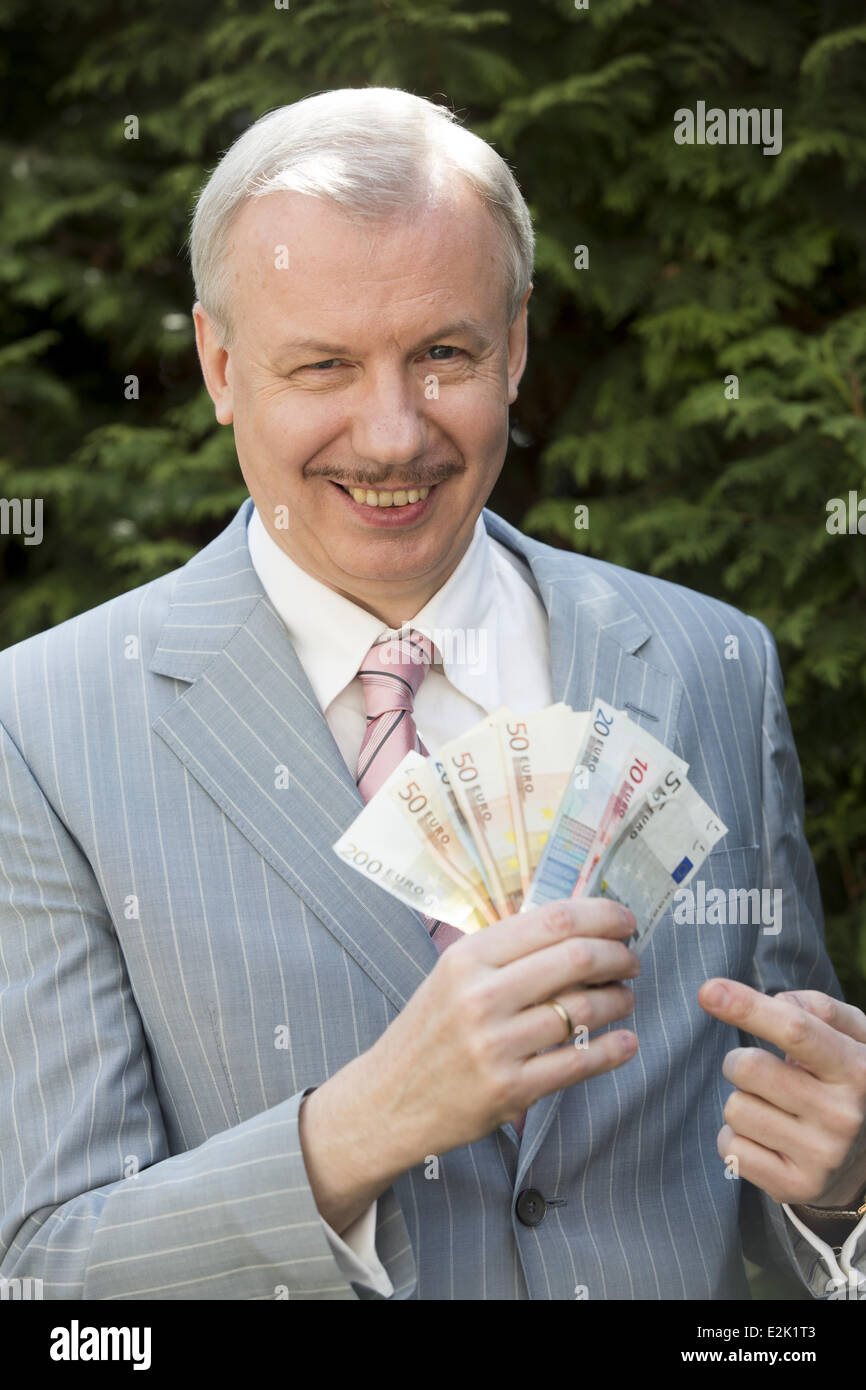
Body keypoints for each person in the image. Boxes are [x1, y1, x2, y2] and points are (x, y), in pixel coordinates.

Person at [1, 87, 864, 1302]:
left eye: (442, 354)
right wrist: (357, 1128)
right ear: (219, 364)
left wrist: (841, 1190)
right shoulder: (40, 727)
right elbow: (43, 1275)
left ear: (513, 342)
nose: (394, 434)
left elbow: (783, 1180)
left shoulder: (708, 662)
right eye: (325, 364)